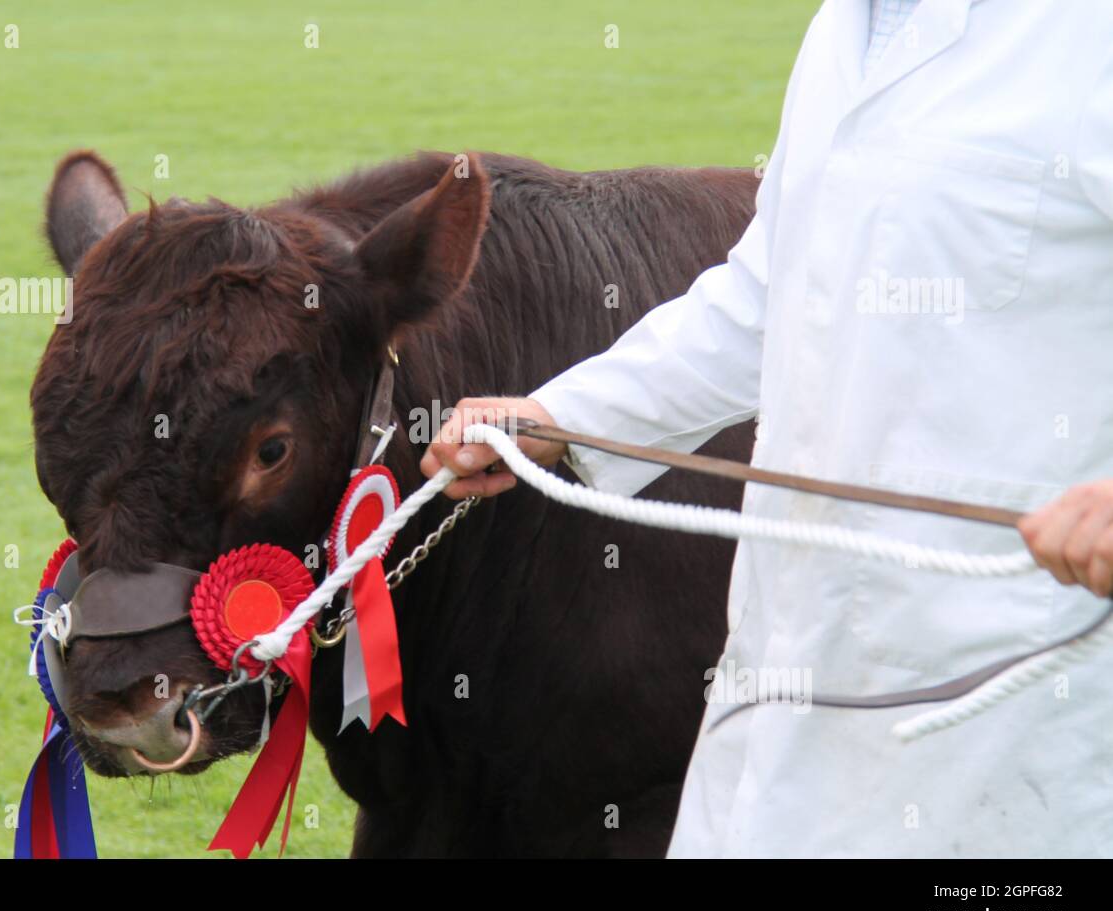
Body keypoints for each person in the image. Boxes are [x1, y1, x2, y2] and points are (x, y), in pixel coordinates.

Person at [422, 0, 1113, 857]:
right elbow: (764, 294)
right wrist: (566, 415)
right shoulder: (841, 31)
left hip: (1010, 707)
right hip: (790, 669)